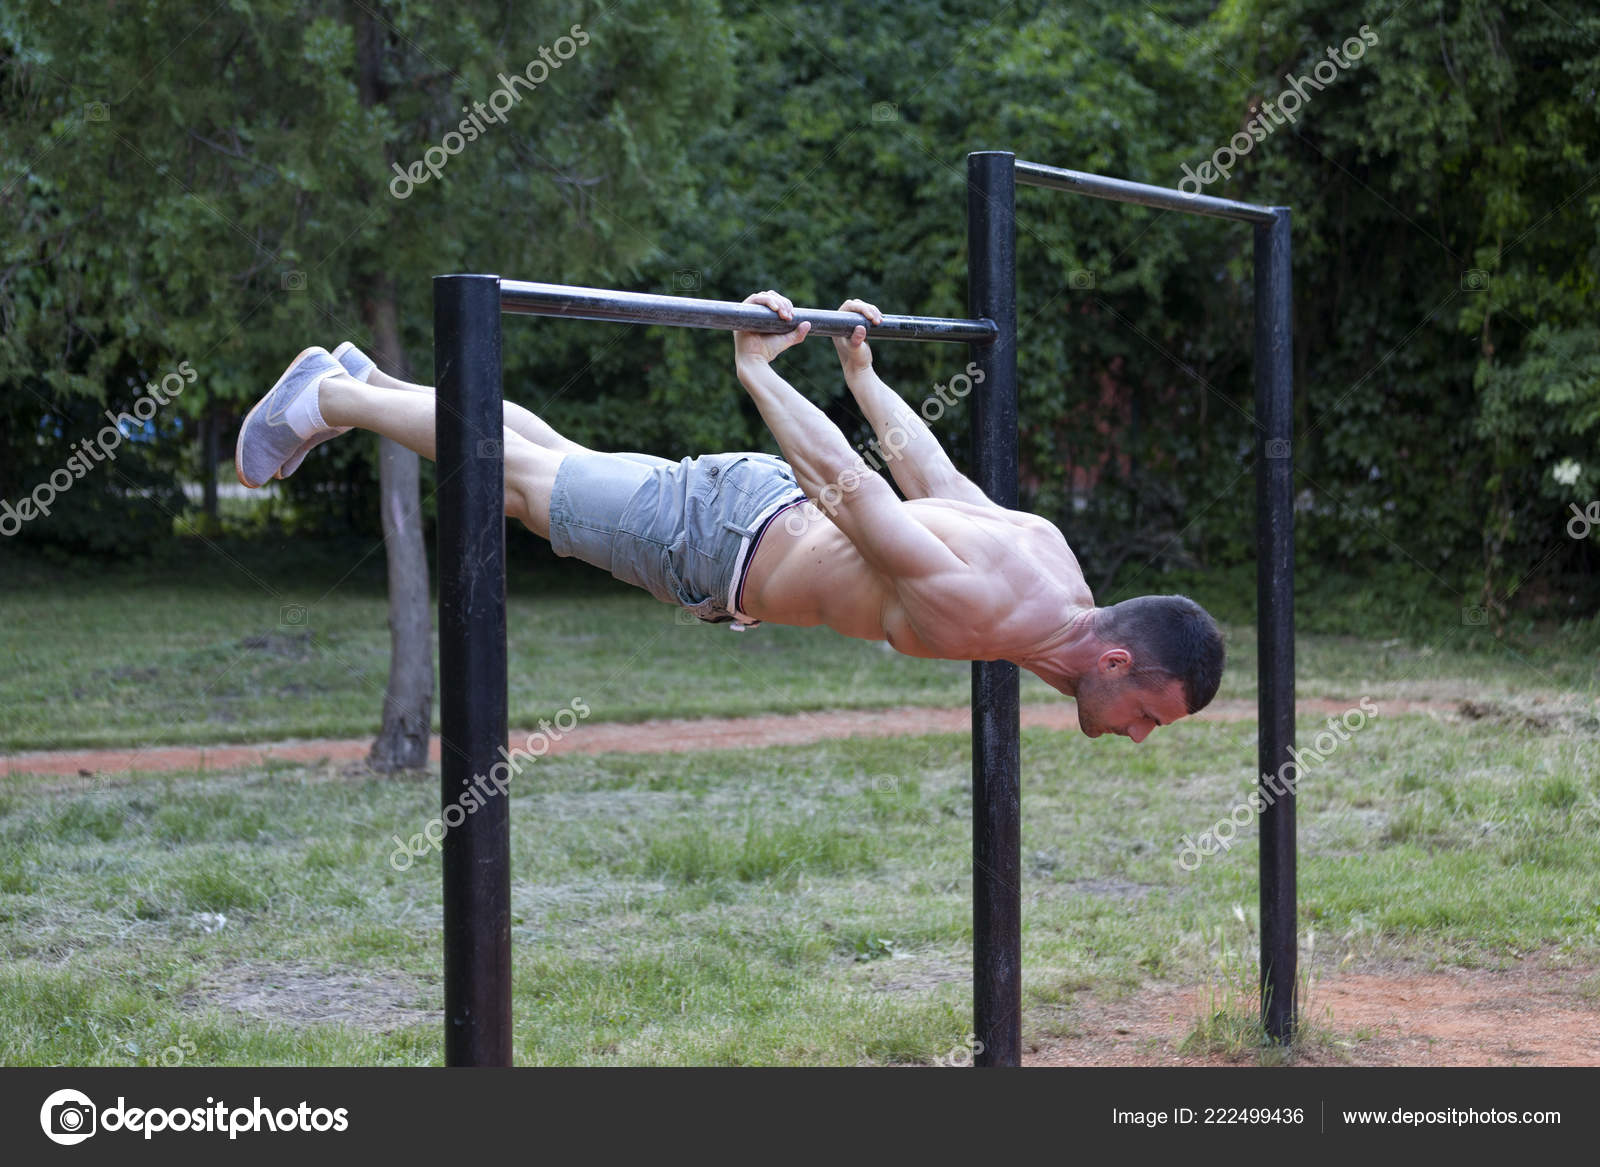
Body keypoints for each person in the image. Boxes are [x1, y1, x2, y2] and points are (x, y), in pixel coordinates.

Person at [236, 291, 1223, 741]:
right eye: (1146, 716)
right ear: (1116, 663)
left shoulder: (1053, 565)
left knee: (545, 471)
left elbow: (939, 478)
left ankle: (374, 382)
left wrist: (863, 374)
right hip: (715, 544)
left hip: (747, 518)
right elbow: (855, 488)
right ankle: (337, 400)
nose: (1139, 737)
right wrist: (758, 373)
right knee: (527, 488)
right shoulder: (990, 615)